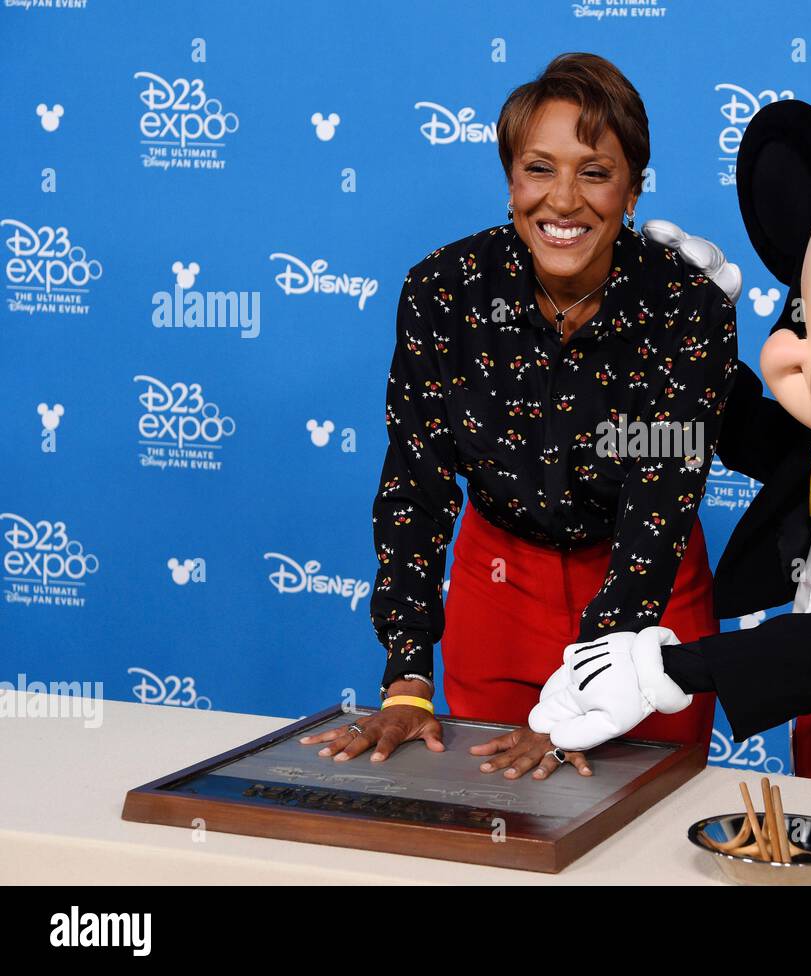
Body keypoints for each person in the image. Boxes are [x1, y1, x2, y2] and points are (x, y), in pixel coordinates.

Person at [301, 53, 738, 781]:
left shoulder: (689, 308)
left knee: (641, 825)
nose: (563, 200)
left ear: (632, 190)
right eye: (540, 168)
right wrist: (408, 675)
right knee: (497, 818)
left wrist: (586, 698)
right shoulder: (445, 292)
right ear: (511, 180)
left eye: (595, 172)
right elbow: (417, 485)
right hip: (497, 596)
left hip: (648, 600)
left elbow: (660, 504)